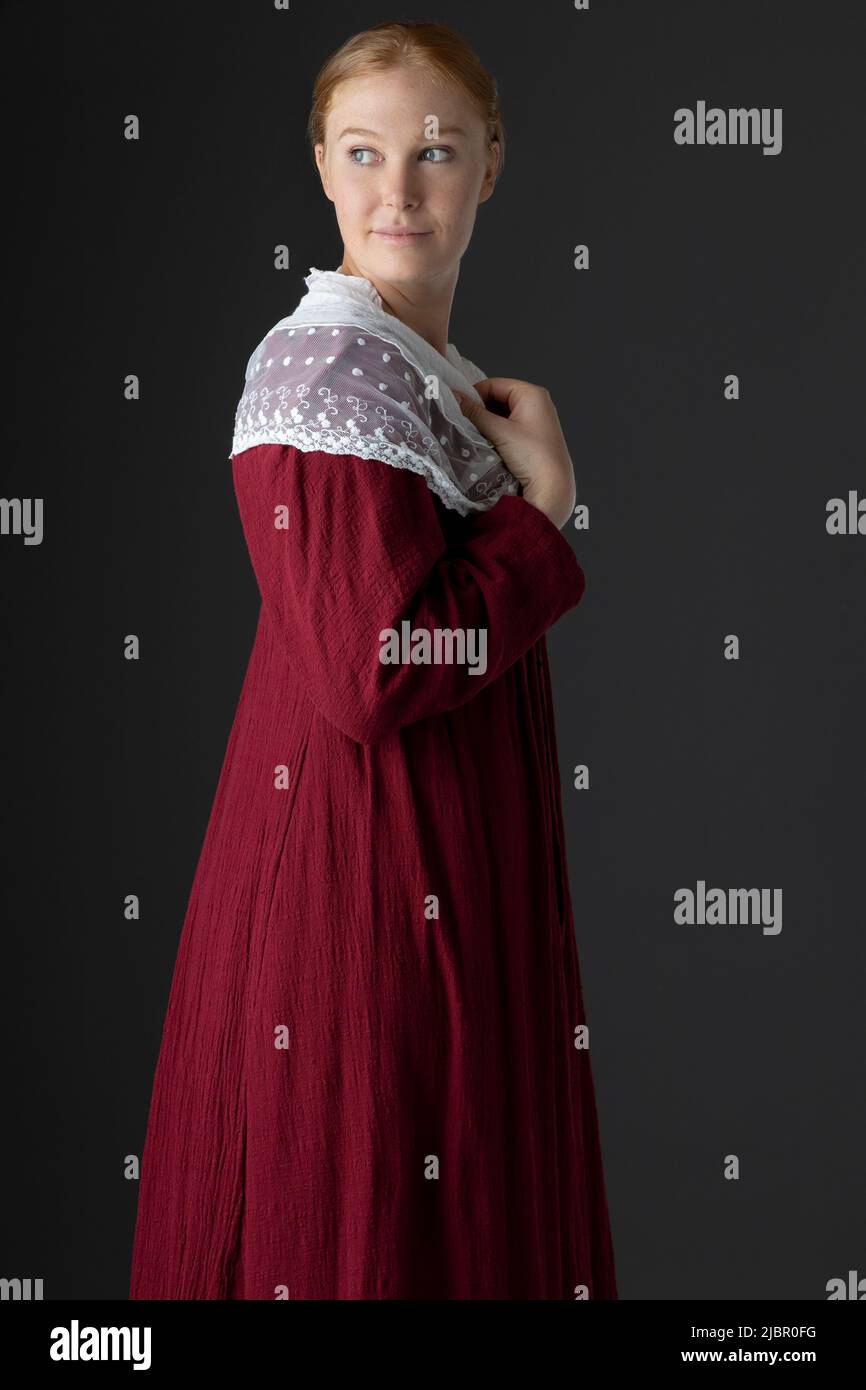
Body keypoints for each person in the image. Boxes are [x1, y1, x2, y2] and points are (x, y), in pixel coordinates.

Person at [129, 18, 618, 1300]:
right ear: (323, 168)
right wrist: (540, 512)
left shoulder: (427, 372)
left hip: (433, 871)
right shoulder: (326, 363)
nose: (397, 191)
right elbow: (373, 666)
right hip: (359, 888)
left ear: (491, 164)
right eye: (364, 152)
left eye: (435, 152)